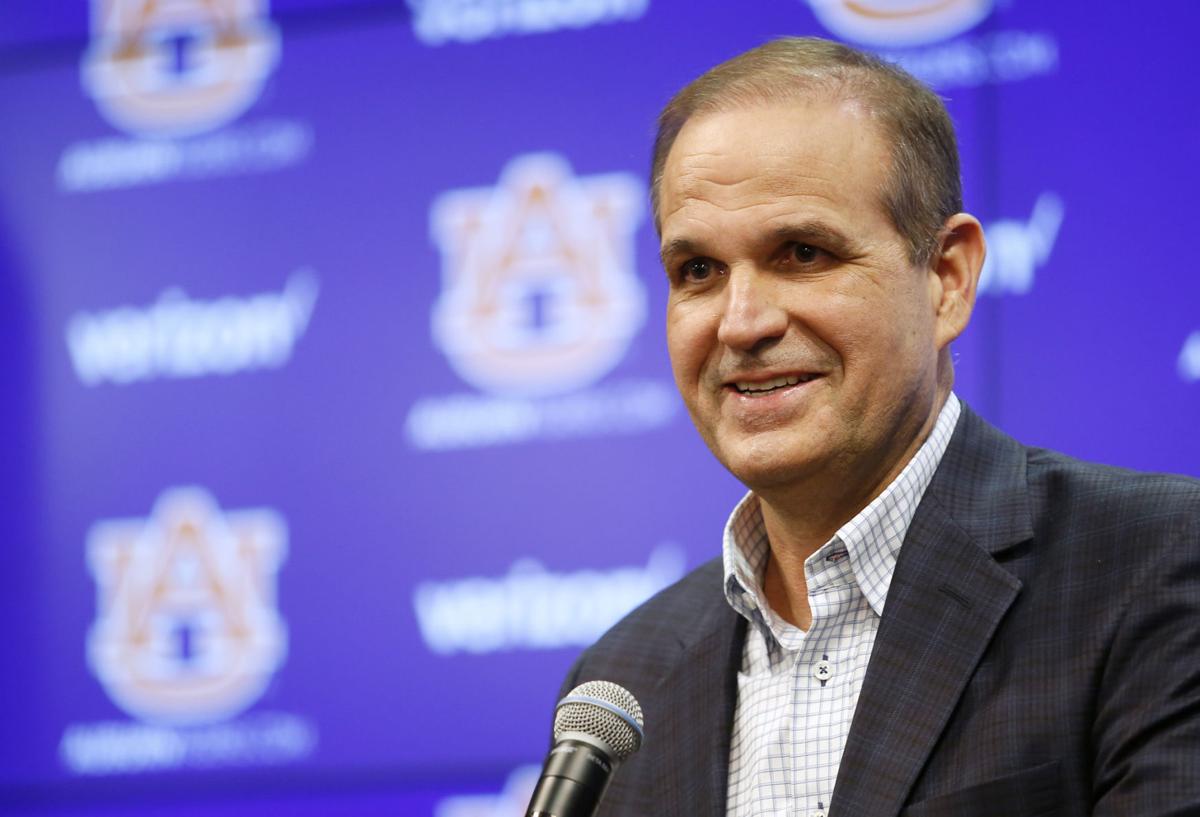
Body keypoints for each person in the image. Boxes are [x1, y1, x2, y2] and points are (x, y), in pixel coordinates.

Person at [556, 37, 1200, 816]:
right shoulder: (624, 677)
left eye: (802, 253)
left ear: (947, 279)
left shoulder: (1157, 563)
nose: (741, 322)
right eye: (698, 271)